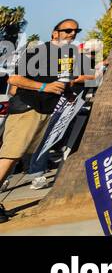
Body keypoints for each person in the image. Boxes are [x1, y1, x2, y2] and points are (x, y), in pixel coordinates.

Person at [0, 19, 93, 221]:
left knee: (15, 157)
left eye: (75, 31)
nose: (71, 34)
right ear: (54, 33)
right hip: (26, 108)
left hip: (44, 110)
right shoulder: (38, 51)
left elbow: (60, 81)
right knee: (9, 156)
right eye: (67, 30)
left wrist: (66, 92)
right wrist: (44, 88)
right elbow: (14, 79)